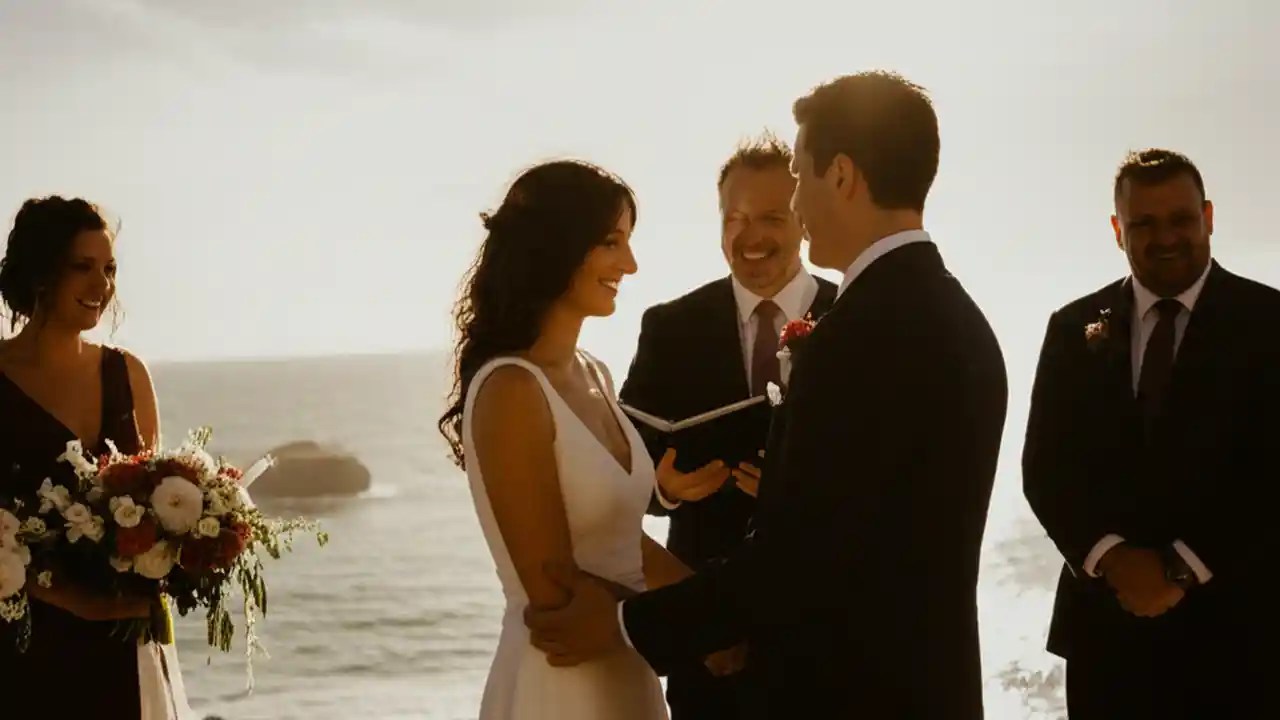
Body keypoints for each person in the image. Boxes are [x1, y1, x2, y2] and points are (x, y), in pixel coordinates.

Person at [524, 71, 1008, 719]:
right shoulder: (960, 318)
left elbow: (794, 564)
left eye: (802, 180)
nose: (802, 209)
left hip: (846, 695)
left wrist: (621, 630)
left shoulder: (856, 337)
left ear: (841, 175)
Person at [437, 160, 733, 720]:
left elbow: (629, 546)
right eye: (611, 243)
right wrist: (688, 629)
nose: (630, 263)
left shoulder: (594, 373)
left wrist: (720, 618)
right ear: (557, 247)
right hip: (559, 685)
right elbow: (552, 590)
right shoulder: (511, 390)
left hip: (629, 677)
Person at [1022, 148, 1280, 718]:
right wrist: (1114, 561)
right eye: (1144, 223)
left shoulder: (1270, 324)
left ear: (1208, 217)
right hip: (1106, 640)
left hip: (1243, 640)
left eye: (1181, 220)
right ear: (1118, 230)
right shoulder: (1072, 329)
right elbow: (1046, 466)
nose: (1166, 238)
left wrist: (1180, 568)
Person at [618, 131, 836, 719]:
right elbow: (622, 470)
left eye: (770, 217)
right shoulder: (670, 326)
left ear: (804, 222)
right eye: (734, 218)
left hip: (827, 638)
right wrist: (664, 488)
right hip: (706, 645)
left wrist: (797, 499)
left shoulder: (855, 317)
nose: (750, 236)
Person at [0, 196, 194, 718]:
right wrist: (72, 599)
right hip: (18, 649)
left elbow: (158, 509)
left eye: (109, 269)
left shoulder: (128, 375)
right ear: (41, 271)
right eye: (82, 267)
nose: (102, 286)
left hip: (121, 644)